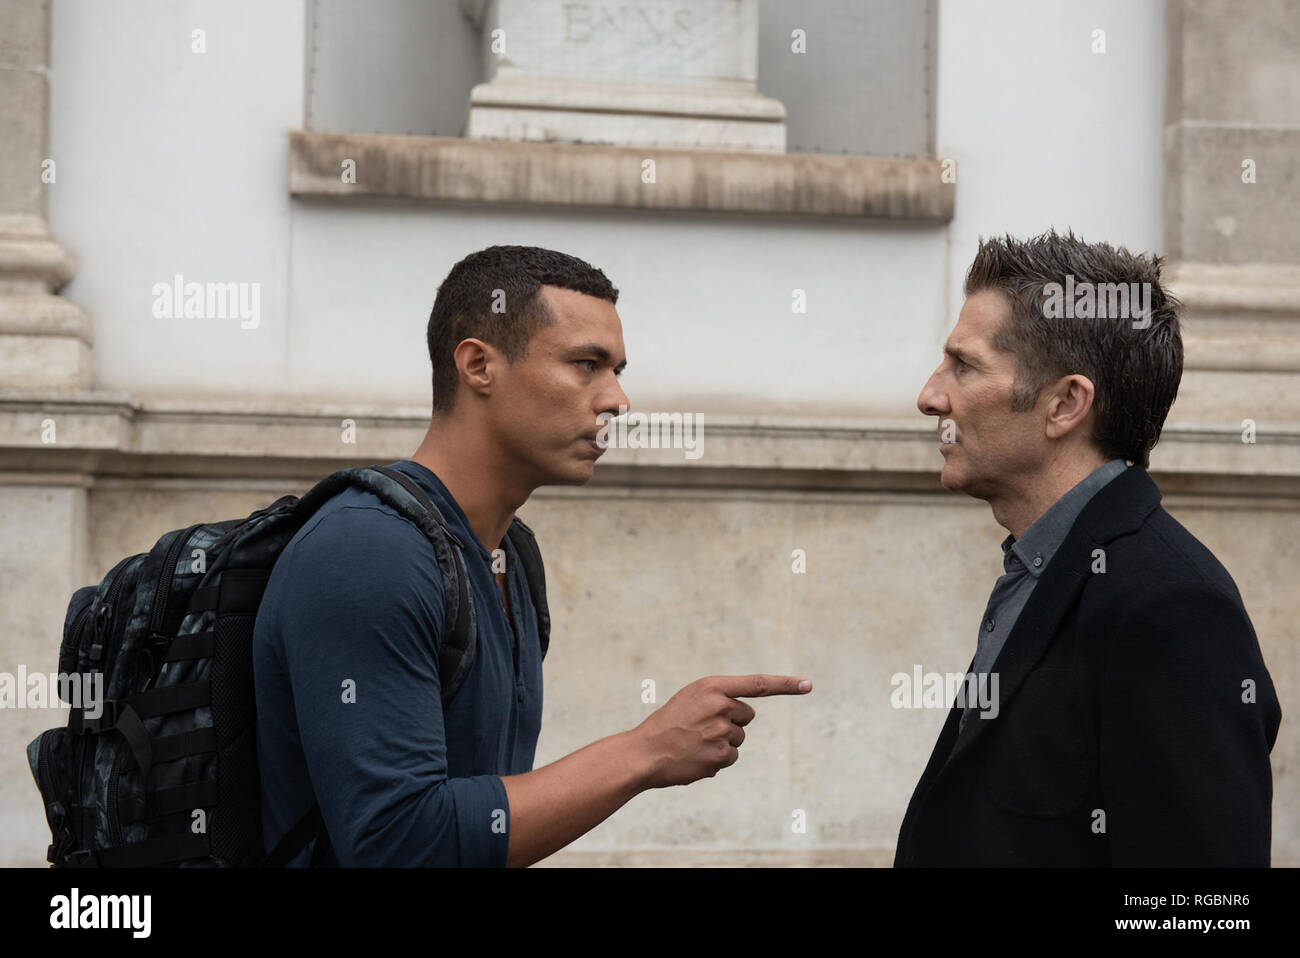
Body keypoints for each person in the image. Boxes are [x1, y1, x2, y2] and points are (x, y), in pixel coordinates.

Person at [253, 245, 811, 866]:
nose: (617, 401)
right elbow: (398, 842)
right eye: (586, 365)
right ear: (478, 365)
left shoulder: (510, 554)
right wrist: (645, 752)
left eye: (618, 370)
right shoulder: (366, 550)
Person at [896, 230, 1282, 866]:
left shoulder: (1172, 606)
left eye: (963, 365)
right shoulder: (1041, 565)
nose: (930, 396)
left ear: (1066, 404)